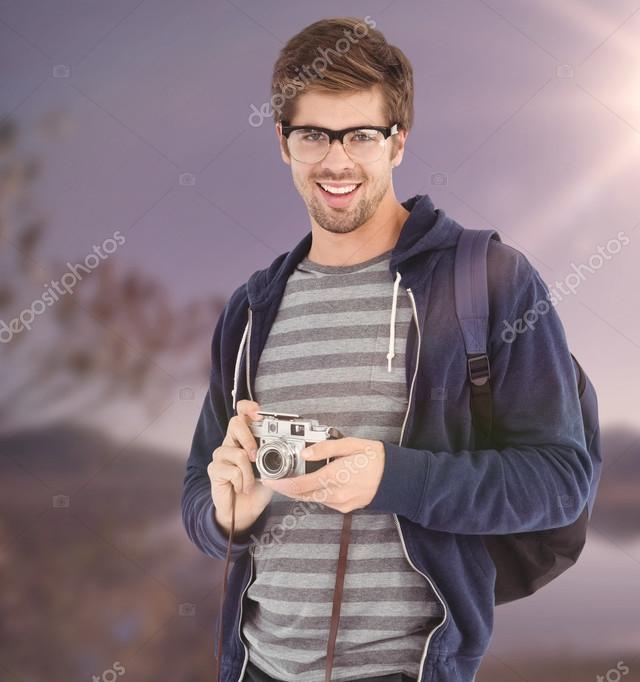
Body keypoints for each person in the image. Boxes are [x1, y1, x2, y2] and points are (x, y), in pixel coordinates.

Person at [181, 16, 594, 682]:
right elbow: (200, 498)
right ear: (282, 142)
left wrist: (391, 478)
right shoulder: (251, 309)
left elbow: (559, 482)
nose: (336, 161)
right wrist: (226, 514)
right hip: (253, 667)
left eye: (361, 136)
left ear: (397, 143)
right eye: (313, 134)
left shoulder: (488, 280)